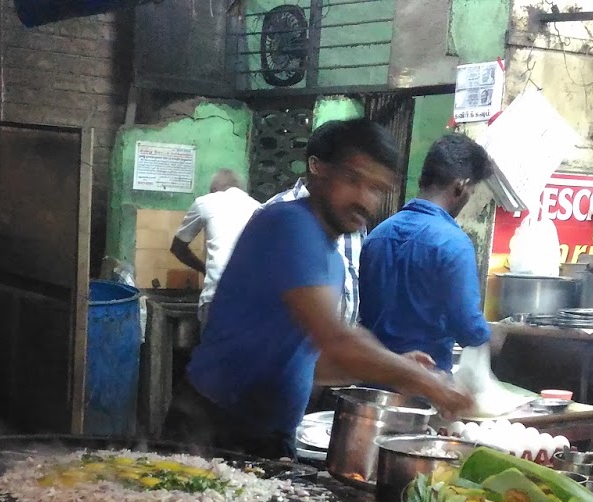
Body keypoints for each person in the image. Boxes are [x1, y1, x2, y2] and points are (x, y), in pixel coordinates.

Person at [165, 118, 472, 459]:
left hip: (263, 434)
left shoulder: (333, 257)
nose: (365, 200)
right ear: (318, 171)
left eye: (377, 189)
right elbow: (338, 341)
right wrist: (426, 381)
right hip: (214, 428)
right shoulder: (289, 224)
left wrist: (395, 367)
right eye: (353, 179)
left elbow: (316, 362)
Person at [358, 133, 493, 370]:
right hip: (425, 381)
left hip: (373, 378)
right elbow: (468, 328)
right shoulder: (454, 244)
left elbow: (365, 318)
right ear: (460, 186)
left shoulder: (377, 235)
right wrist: (495, 337)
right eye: (472, 190)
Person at [265, 170, 363, 325]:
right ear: (316, 166)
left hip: (342, 339)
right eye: (351, 179)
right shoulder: (275, 211)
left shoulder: (354, 220)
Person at [170, 169, 260, 319]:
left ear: (213, 190)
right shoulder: (258, 207)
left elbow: (178, 248)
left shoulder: (205, 202)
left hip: (216, 296)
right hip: (251, 298)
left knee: (213, 342)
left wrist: (203, 269)